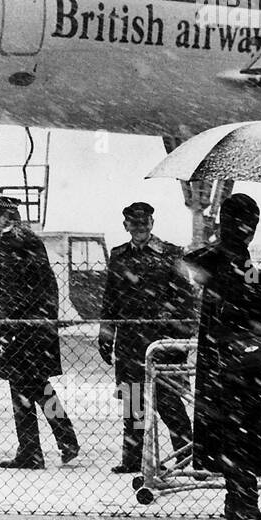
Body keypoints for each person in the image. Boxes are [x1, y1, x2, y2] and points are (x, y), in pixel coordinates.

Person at [184, 193, 261, 520]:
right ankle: (246, 511)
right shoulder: (237, 261)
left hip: (220, 361)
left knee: (233, 435)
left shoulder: (217, 257)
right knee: (247, 435)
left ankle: (237, 507)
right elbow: (244, 305)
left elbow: (227, 299)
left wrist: (259, 281)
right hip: (243, 363)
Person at [0, 194, 79, 469]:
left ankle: (35, 449)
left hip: (23, 327)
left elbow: (15, 289)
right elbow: (41, 285)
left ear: (5, 216)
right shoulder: (26, 239)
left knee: (26, 389)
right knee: (35, 387)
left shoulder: (13, 240)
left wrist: (5, 322)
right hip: (32, 326)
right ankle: (55, 443)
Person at [99, 202, 195, 474]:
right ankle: (132, 460)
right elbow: (111, 300)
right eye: (134, 223)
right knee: (132, 402)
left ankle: (186, 458)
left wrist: (178, 339)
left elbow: (185, 299)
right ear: (125, 225)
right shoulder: (118, 256)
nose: (140, 228)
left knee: (169, 403)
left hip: (162, 343)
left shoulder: (171, 253)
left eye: (144, 223)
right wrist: (106, 335)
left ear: (152, 223)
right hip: (130, 342)